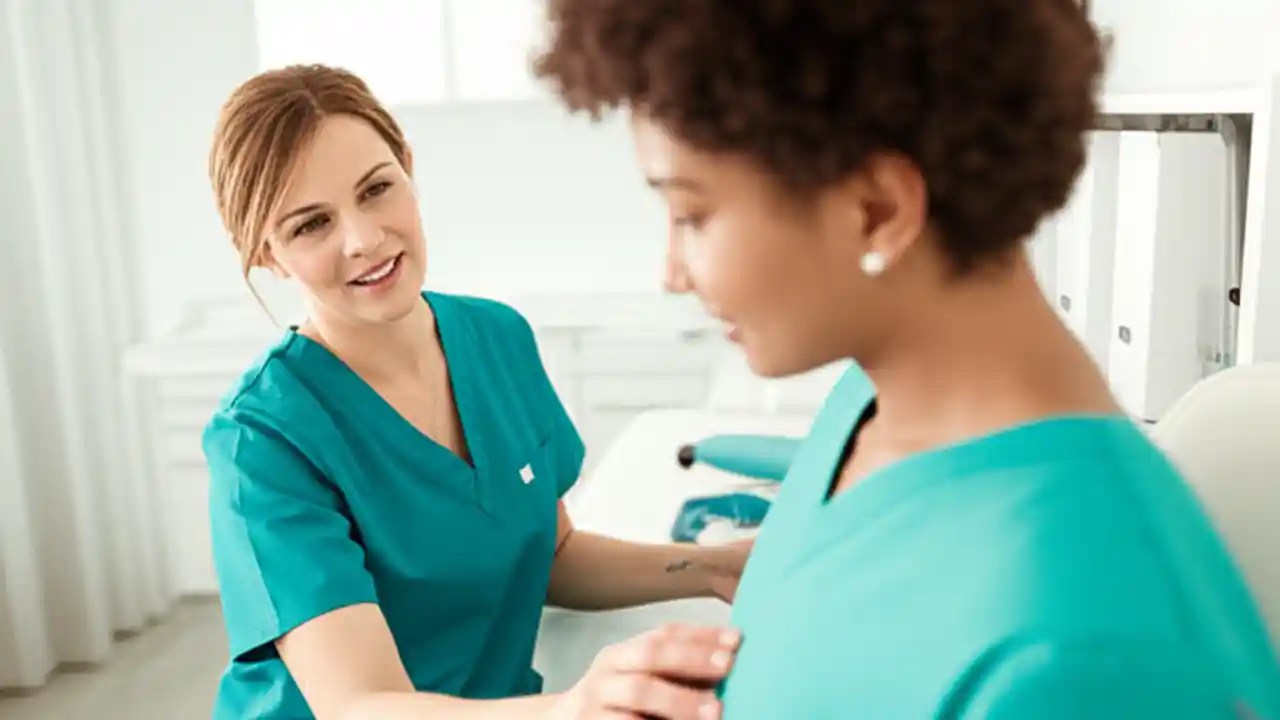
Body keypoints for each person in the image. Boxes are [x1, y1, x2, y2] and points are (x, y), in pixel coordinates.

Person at [533, 0, 1280, 717]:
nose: (673, 272)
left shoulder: (1077, 652)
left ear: (877, 211)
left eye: (692, 214)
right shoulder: (871, 401)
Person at [203, 64, 750, 720]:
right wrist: (568, 711)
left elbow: (550, 556)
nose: (365, 238)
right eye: (310, 225)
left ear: (407, 168)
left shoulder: (496, 338)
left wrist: (711, 566)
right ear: (266, 254)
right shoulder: (264, 438)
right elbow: (361, 705)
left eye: (377, 189)